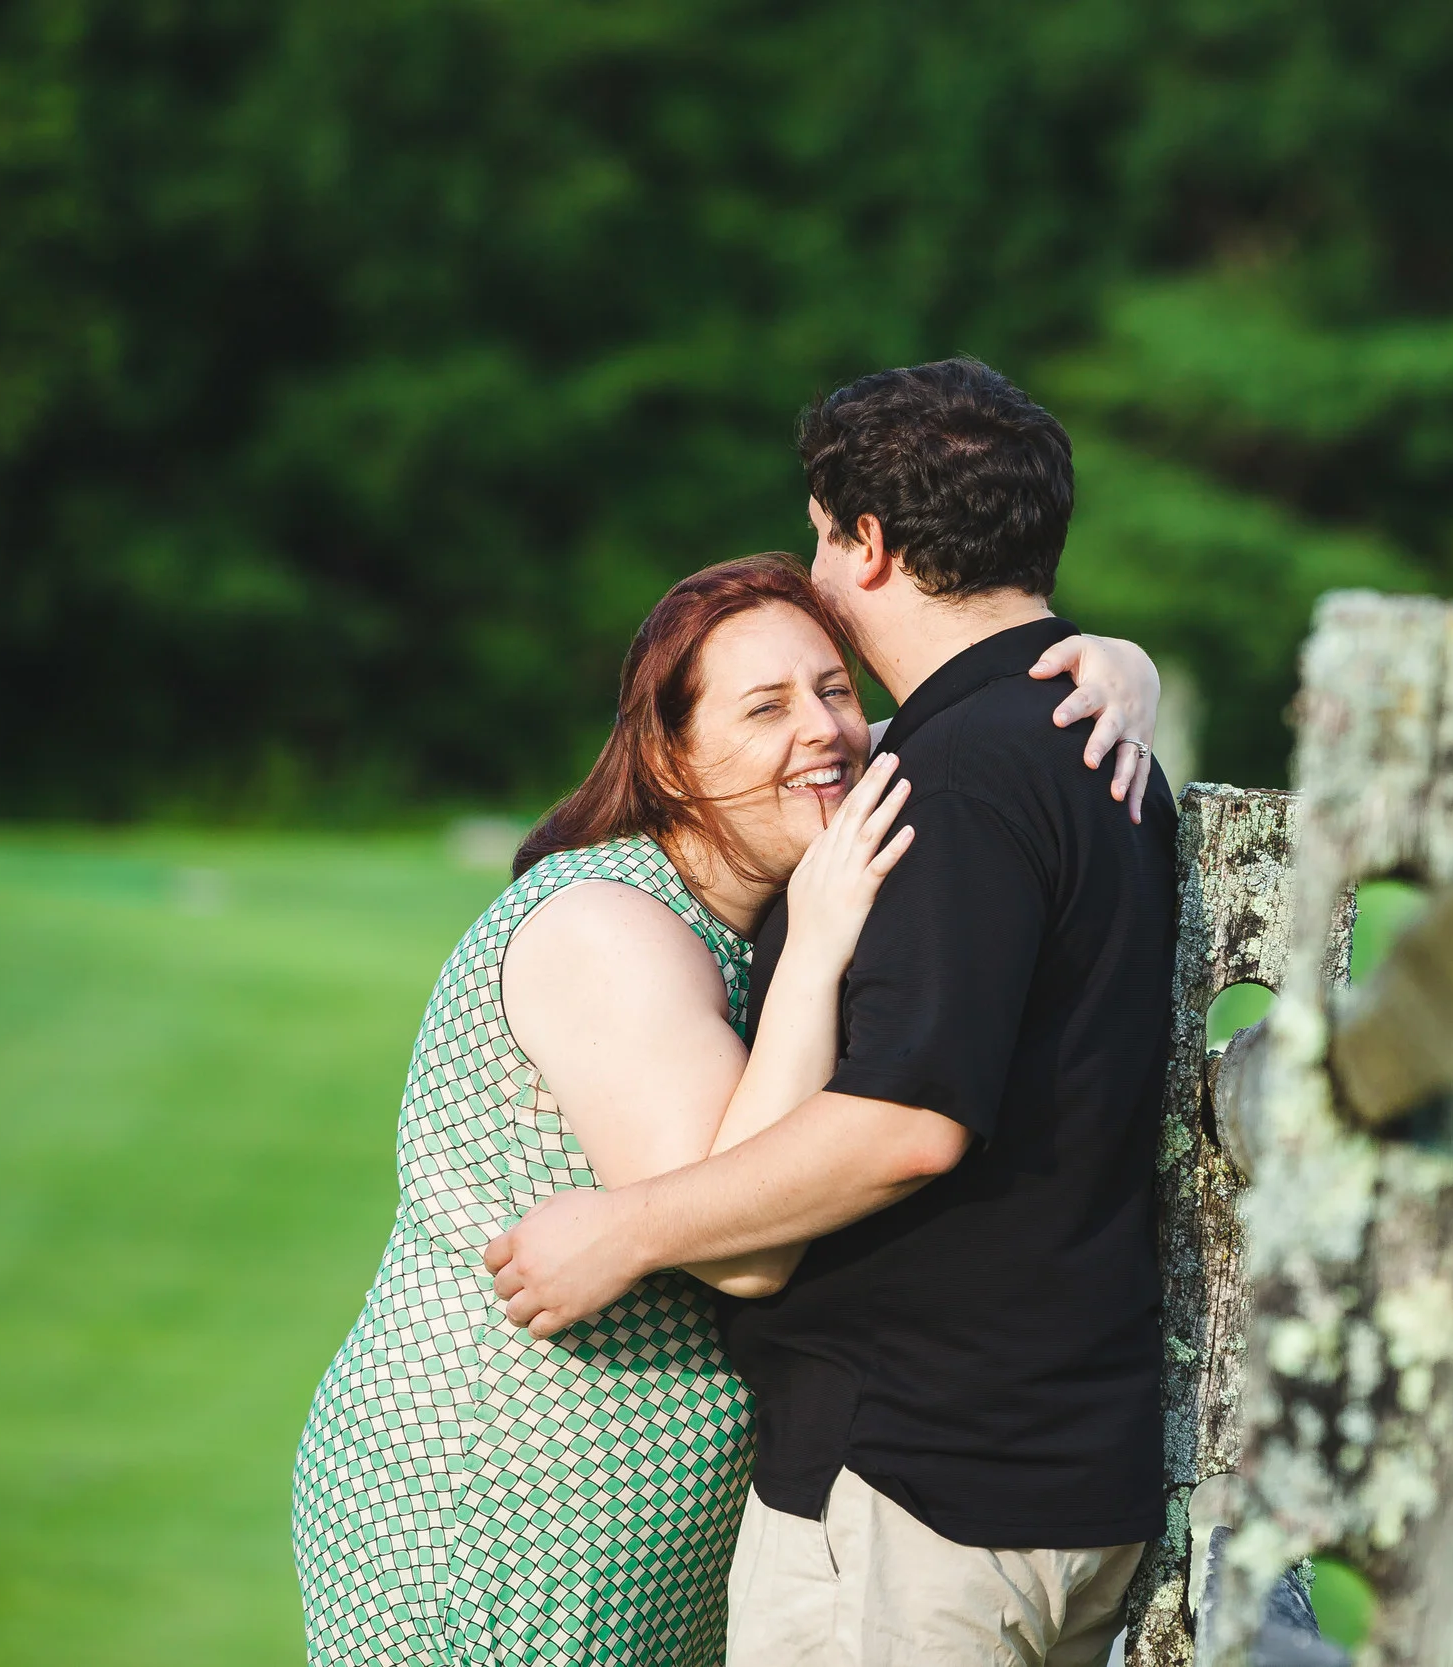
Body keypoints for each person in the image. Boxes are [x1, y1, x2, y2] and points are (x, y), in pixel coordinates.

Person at [292, 550, 1164, 1666]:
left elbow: (979, 707)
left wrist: (1116, 670)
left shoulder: (814, 813)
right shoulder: (610, 926)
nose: (825, 729)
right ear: (673, 754)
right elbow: (747, 1257)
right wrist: (819, 947)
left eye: (835, 688)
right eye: (764, 706)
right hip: (497, 1502)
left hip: (656, 1526)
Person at [489, 359, 1180, 1666]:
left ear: (869, 540)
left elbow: (906, 1124)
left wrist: (624, 1227)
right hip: (1062, 1463)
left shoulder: (953, 784)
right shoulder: (1101, 743)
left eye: (821, 531)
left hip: (921, 1494)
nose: (815, 563)